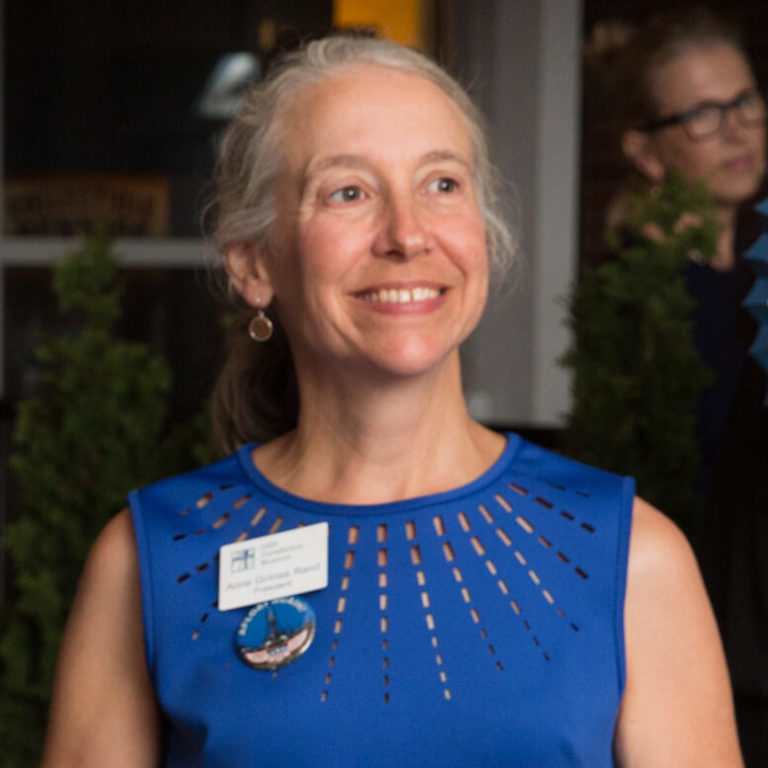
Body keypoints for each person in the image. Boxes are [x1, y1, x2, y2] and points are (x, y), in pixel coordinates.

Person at [40, 35, 742, 767]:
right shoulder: (150, 561)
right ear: (253, 264)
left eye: (441, 184)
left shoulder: (631, 556)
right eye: (348, 192)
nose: (407, 235)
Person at [584, 9, 767, 765]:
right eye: (701, 114)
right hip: (700, 640)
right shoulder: (640, 297)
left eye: (745, 101)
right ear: (645, 149)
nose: (737, 130)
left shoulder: (756, 272)